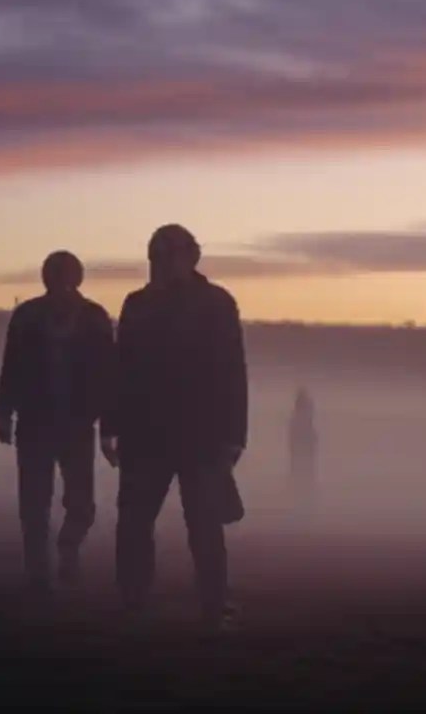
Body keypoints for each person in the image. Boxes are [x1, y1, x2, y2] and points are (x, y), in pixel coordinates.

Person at [103, 223, 248, 630]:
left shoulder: (212, 304)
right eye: (156, 257)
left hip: (189, 434)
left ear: (190, 258)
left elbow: (232, 371)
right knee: (141, 521)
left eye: (166, 257)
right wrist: (110, 425)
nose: (161, 265)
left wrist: (233, 435)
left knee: (198, 522)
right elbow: (122, 369)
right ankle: (142, 600)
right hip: (158, 433)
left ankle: (209, 602)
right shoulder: (146, 304)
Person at [0, 251, 115, 594]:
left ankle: (67, 548)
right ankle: (38, 571)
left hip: (77, 423)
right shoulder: (27, 316)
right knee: (34, 502)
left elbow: (107, 374)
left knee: (81, 503)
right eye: (54, 274)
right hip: (35, 420)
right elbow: (12, 366)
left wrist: (108, 426)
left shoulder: (94, 318)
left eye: (64, 274)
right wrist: (3, 412)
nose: (59, 280)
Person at [288, 387, 317, 509]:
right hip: (302, 450)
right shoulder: (299, 420)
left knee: (302, 473)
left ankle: (302, 499)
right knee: (304, 473)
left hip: (302, 451)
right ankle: (303, 499)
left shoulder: (295, 420)